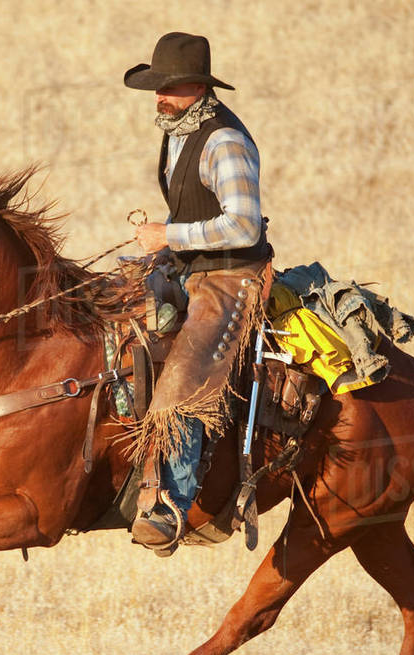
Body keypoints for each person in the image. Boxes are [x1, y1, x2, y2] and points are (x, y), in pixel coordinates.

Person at [124, 32, 271, 555]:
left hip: (232, 277)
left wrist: (170, 236)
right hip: (189, 266)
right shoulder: (179, 129)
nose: (159, 97)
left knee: (186, 376)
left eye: (168, 87)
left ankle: (170, 504)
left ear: (199, 87)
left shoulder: (224, 141)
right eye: (156, 87)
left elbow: (244, 226)